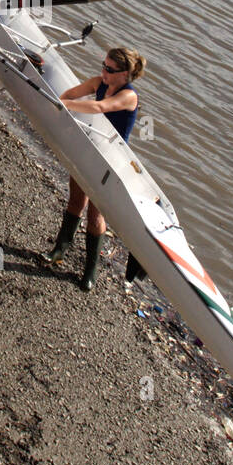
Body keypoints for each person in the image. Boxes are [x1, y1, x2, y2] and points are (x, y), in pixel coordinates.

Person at [47, 47, 146, 291]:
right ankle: (59, 251)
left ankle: (90, 271)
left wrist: (66, 104)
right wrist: (62, 100)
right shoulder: (97, 82)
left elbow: (100, 108)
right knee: (75, 202)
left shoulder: (129, 96)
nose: (103, 71)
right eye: (103, 65)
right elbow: (72, 92)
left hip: (111, 161)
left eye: (109, 69)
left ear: (125, 74)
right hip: (90, 149)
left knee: (95, 215)